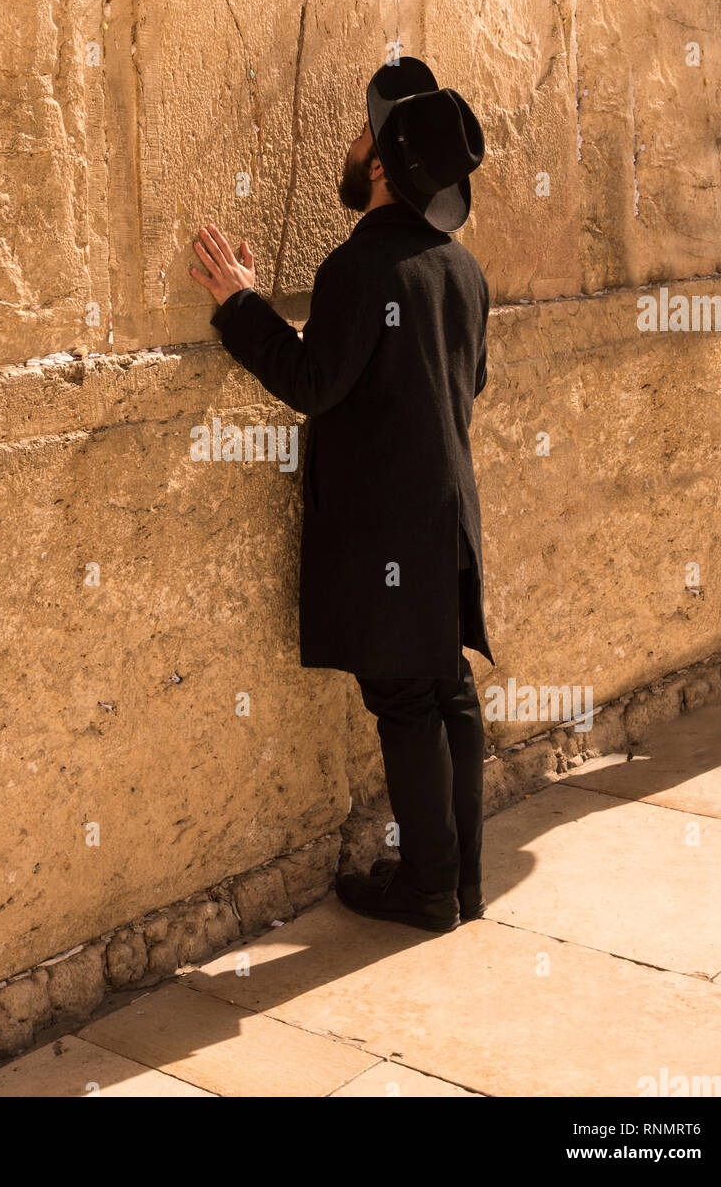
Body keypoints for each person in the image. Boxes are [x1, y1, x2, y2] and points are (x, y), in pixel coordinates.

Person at [190, 56, 493, 935]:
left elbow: (313, 380)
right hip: (450, 515)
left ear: (385, 166)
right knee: (448, 690)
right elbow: (466, 383)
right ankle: (460, 882)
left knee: (405, 698)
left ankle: (428, 891)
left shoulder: (359, 267)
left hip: (389, 530)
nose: (351, 142)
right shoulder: (462, 271)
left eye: (364, 133)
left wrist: (239, 303)